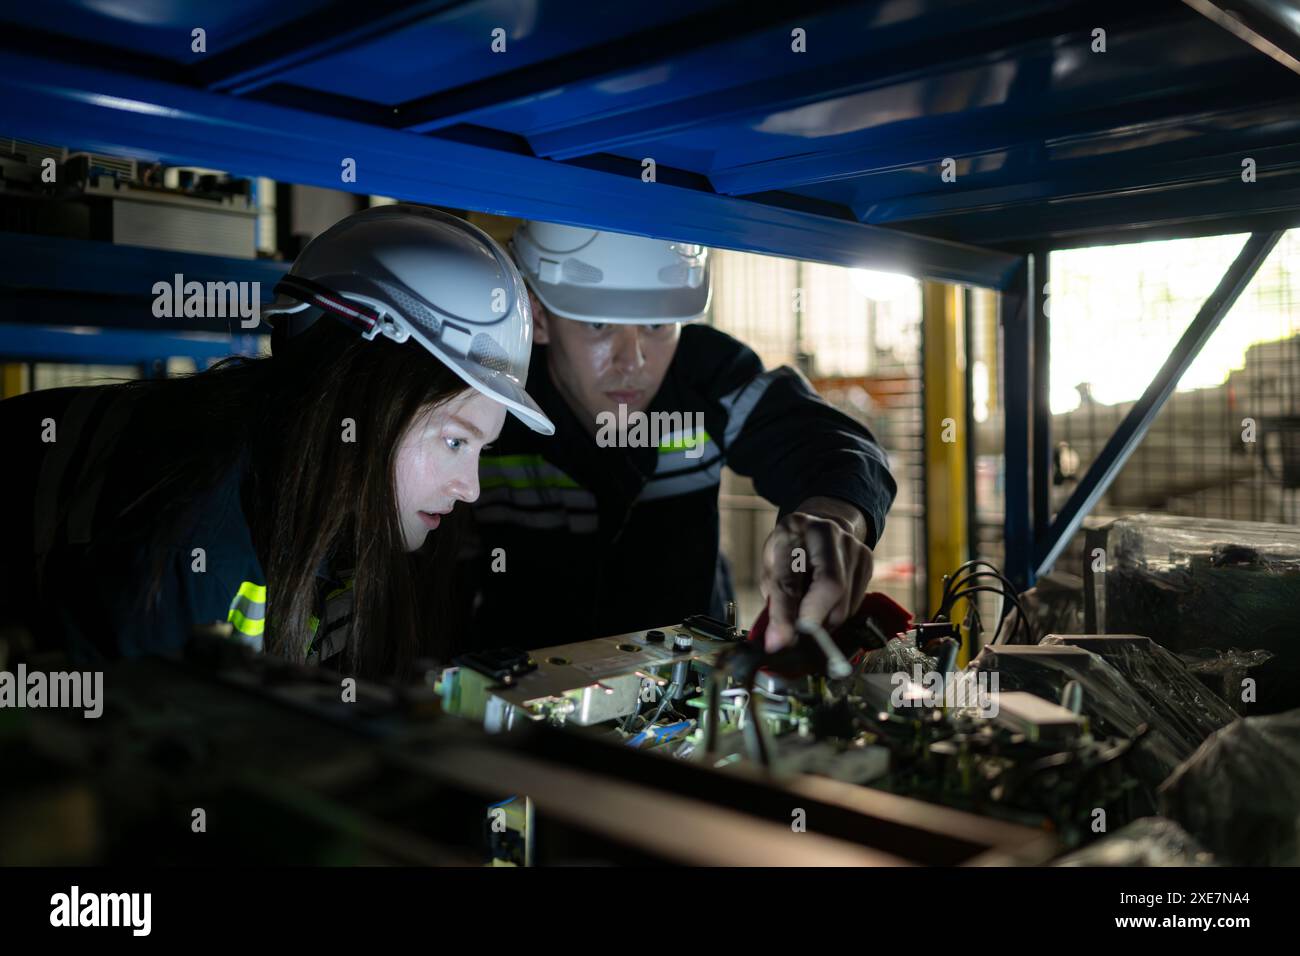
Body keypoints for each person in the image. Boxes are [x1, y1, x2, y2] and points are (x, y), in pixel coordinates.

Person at [0, 205, 553, 679]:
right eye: (456, 442)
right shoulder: (191, 543)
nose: (472, 489)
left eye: (480, 449)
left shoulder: (298, 491)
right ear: (357, 400)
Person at [457, 222, 898, 653]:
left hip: (689, 692)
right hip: (515, 697)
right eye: (598, 325)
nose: (632, 361)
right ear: (538, 314)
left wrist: (832, 516)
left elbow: (834, 444)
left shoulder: (707, 373)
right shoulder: (490, 396)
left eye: (657, 325)